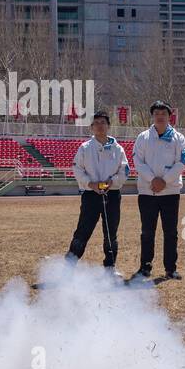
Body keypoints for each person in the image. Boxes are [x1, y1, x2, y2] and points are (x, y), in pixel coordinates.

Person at [66, 110, 129, 276]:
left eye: (103, 123)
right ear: (92, 127)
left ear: (108, 126)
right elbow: (77, 169)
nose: (100, 126)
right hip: (91, 195)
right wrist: (90, 183)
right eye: (96, 123)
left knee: (110, 232)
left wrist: (112, 182)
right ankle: (67, 267)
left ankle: (110, 268)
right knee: (83, 231)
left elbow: (124, 171)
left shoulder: (118, 149)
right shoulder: (85, 148)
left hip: (112, 195)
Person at [132, 101, 185, 281]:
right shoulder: (143, 137)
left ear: (169, 116)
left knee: (170, 232)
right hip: (147, 192)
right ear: (152, 116)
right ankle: (145, 267)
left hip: (170, 192)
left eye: (163, 113)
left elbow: (182, 161)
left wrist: (165, 181)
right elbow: (138, 162)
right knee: (147, 231)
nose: (160, 116)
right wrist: (152, 180)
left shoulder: (178, 138)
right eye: (156, 113)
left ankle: (171, 269)